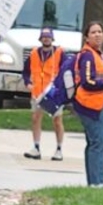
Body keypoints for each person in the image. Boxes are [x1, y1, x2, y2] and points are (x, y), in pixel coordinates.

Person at [73, 20, 103, 187]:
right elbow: (87, 82)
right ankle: (97, 183)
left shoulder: (100, 55)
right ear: (86, 36)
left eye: (100, 31)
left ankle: (93, 182)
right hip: (90, 105)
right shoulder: (87, 55)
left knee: (94, 143)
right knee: (99, 144)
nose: (97, 35)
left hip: (100, 103)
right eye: (93, 32)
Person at [22, 27, 65, 161]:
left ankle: (59, 149)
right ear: (40, 38)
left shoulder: (59, 53)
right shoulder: (34, 53)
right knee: (35, 118)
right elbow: (25, 71)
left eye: (48, 36)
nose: (46, 38)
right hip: (37, 92)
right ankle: (36, 147)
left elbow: (65, 71)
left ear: (52, 38)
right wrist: (27, 82)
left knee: (57, 121)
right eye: (44, 36)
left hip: (53, 92)